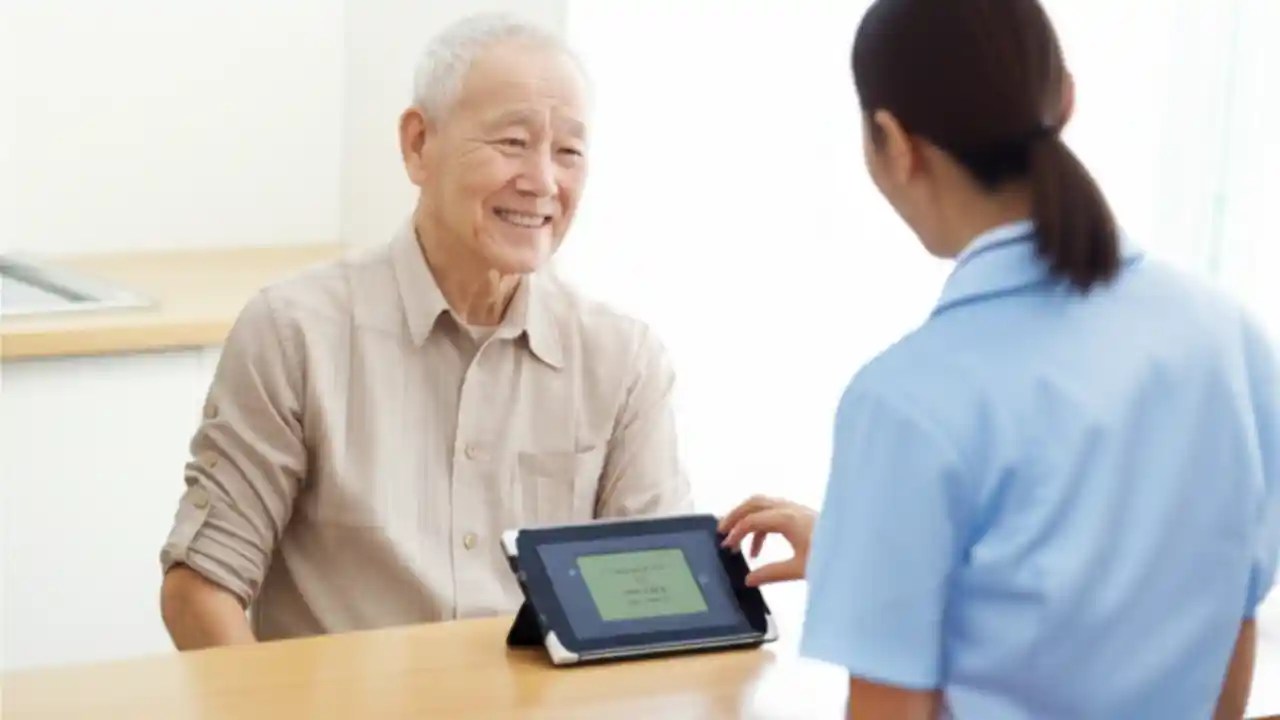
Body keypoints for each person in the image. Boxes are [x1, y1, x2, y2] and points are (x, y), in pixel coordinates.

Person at [720, 1, 1279, 718]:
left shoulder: (907, 401)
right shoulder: (1230, 337)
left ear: (892, 141)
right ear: (1066, 99)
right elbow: (1216, 622)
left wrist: (876, 547)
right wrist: (859, 549)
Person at [158, 14, 692, 649]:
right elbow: (201, 588)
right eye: (513, 142)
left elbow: (656, 613)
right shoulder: (293, 332)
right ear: (418, 145)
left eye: (569, 151)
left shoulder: (623, 360)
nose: (543, 181)